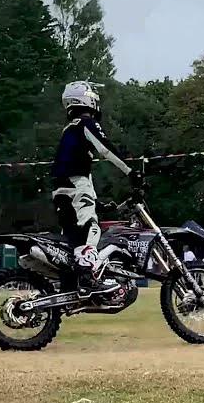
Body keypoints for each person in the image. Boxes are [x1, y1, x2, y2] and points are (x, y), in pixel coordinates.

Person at [51, 80, 143, 297]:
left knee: (74, 238)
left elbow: (72, 167)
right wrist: (132, 172)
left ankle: (70, 284)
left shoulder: (69, 130)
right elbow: (106, 148)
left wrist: (97, 203)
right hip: (75, 185)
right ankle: (88, 278)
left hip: (62, 189)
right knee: (91, 229)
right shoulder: (85, 123)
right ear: (86, 99)